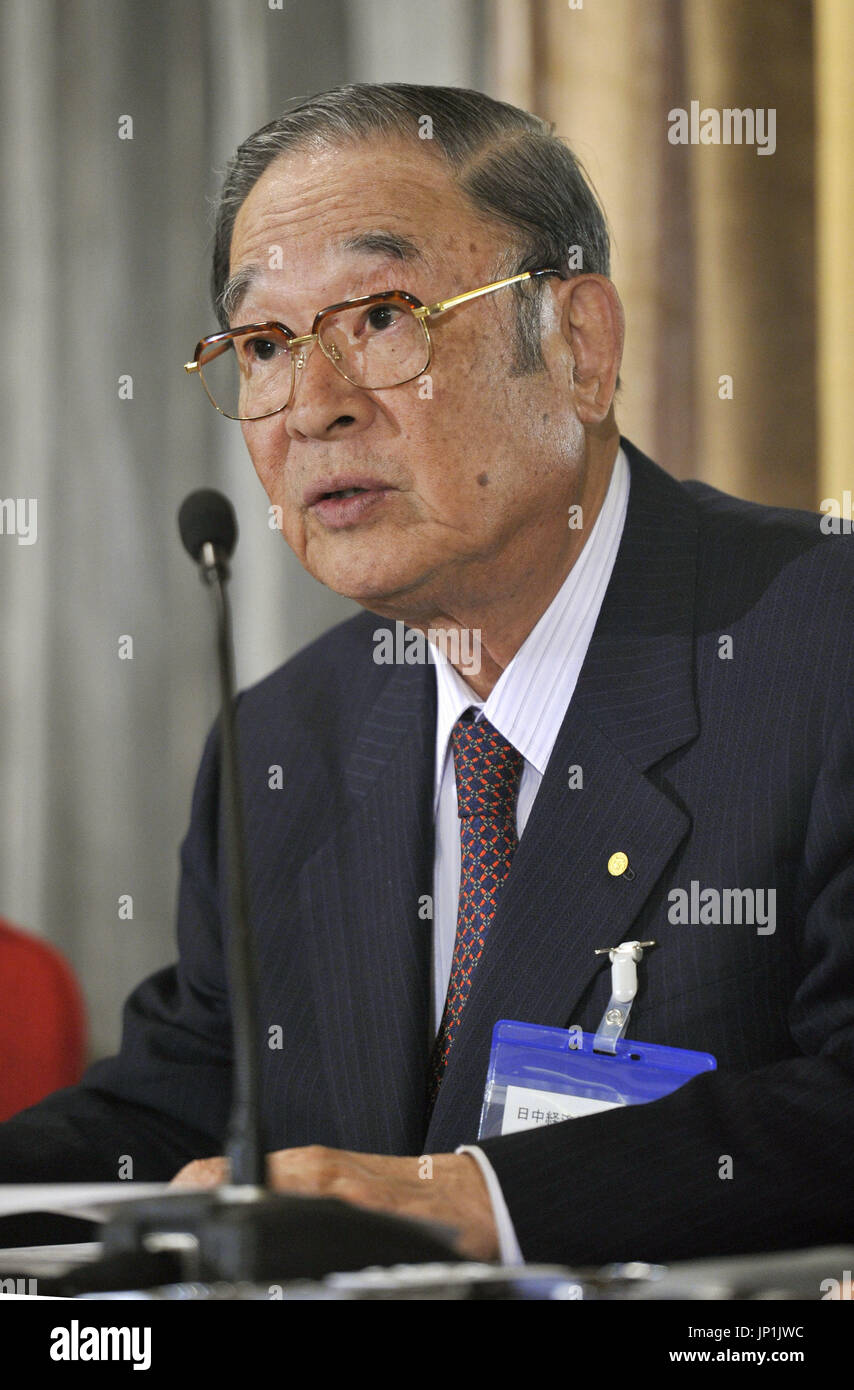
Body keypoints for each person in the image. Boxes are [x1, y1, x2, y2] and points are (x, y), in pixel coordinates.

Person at [1, 83, 852, 1267]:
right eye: (262, 346)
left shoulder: (821, 646)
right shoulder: (283, 737)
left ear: (580, 346)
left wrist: (479, 1203)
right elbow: (190, 1102)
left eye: (383, 317)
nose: (313, 405)